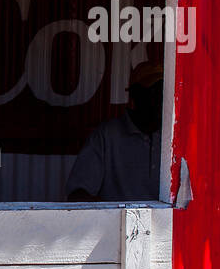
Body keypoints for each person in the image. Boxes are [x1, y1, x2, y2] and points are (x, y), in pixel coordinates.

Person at [66, 61, 164, 202]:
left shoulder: (174, 138)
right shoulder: (107, 135)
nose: (160, 100)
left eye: (164, 93)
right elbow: (77, 194)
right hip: (116, 223)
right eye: (154, 92)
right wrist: (109, 215)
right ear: (135, 95)